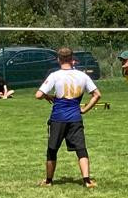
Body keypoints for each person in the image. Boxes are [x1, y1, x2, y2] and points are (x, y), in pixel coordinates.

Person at [35, 46, 102, 187]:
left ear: (58, 59)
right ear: (72, 59)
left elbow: (38, 95)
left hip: (58, 118)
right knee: (81, 149)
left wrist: (48, 95)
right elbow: (97, 95)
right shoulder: (83, 76)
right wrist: (85, 109)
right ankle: (87, 181)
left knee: (52, 149)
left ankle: (48, 181)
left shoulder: (54, 75)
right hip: (75, 117)